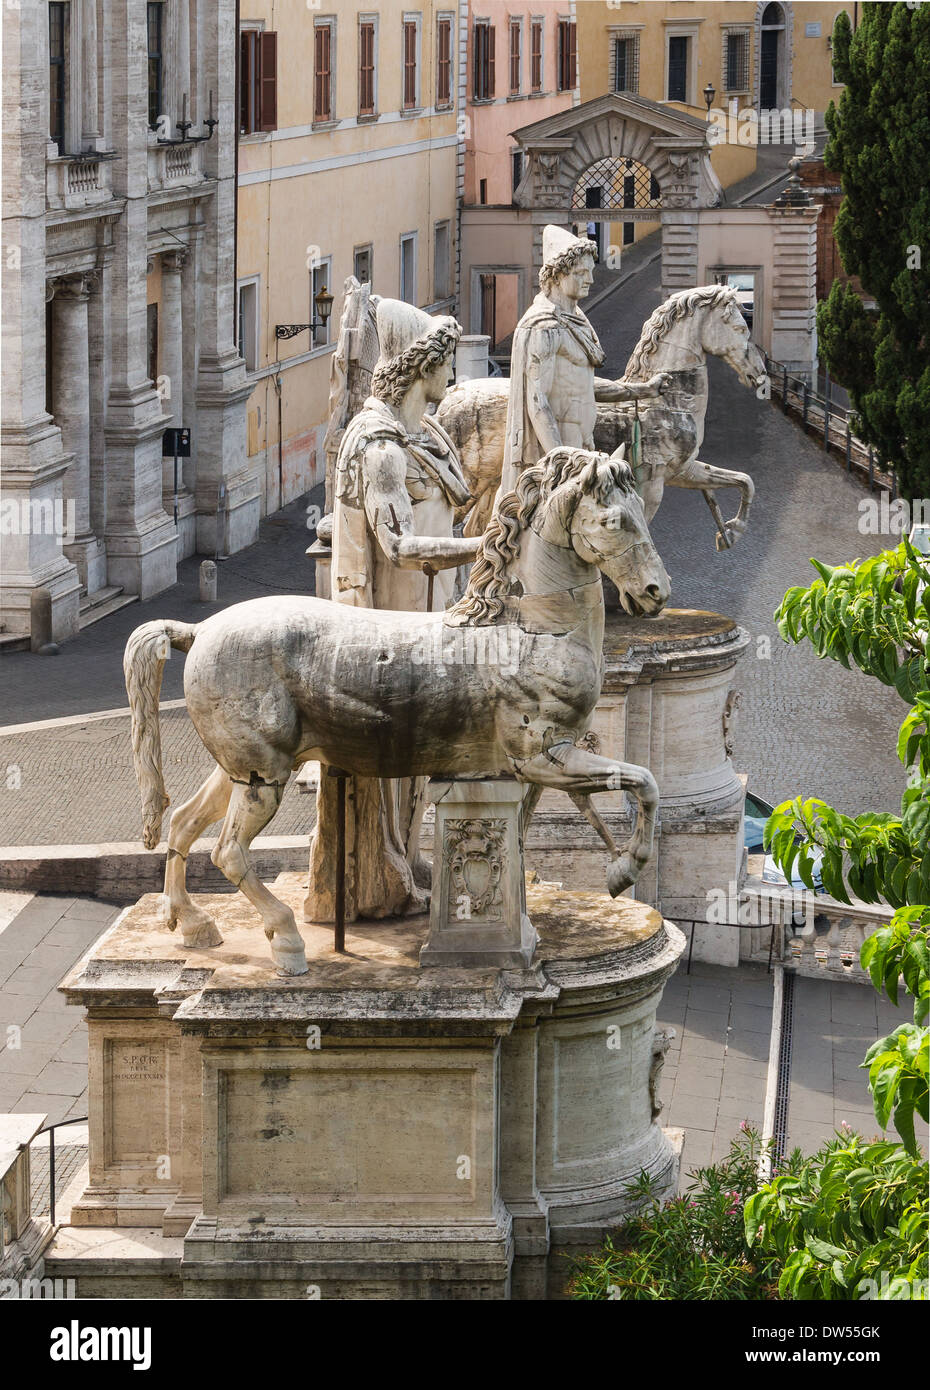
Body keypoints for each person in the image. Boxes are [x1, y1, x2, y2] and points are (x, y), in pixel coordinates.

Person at [306, 301, 480, 923]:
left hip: (433, 619)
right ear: (421, 367)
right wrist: (486, 548)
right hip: (386, 631)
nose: (454, 373)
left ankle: (402, 858)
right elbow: (400, 547)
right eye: (447, 361)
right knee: (391, 763)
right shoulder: (379, 446)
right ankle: (377, 876)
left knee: (418, 763)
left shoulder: (428, 435)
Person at [501, 224, 668, 495]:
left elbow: (584, 384)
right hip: (559, 452)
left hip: (582, 444)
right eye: (580, 273)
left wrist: (642, 390)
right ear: (558, 275)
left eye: (590, 271)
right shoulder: (544, 327)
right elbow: (537, 402)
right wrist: (560, 463)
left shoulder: (576, 320)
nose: (590, 279)